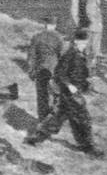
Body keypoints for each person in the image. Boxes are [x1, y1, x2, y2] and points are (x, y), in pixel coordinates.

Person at [27, 29, 102, 157]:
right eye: (82, 43)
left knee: (58, 117)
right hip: (70, 93)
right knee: (82, 118)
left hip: (72, 92)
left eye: (85, 43)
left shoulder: (79, 54)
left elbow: (79, 74)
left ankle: (37, 137)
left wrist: (87, 84)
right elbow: (59, 74)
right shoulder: (70, 55)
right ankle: (88, 147)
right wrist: (70, 85)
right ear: (76, 42)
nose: (84, 45)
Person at [25, 19, 64, 122]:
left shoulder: (37, 37)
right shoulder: (58, 38)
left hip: (40, 70)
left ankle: (42, 120)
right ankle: (52, 120)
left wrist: (31, 71)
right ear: (55, 25)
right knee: (55, 95)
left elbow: (31, 56)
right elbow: (62, 56)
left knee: (42, 96)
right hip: (53, 70)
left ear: (45, 25)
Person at [75, 0, 105, 68]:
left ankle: (85, 66)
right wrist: (93, 21)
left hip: (85, 22)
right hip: (91, 23)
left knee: (86, 46)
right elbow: (89, 8)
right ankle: (88, 68)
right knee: (91, 47)